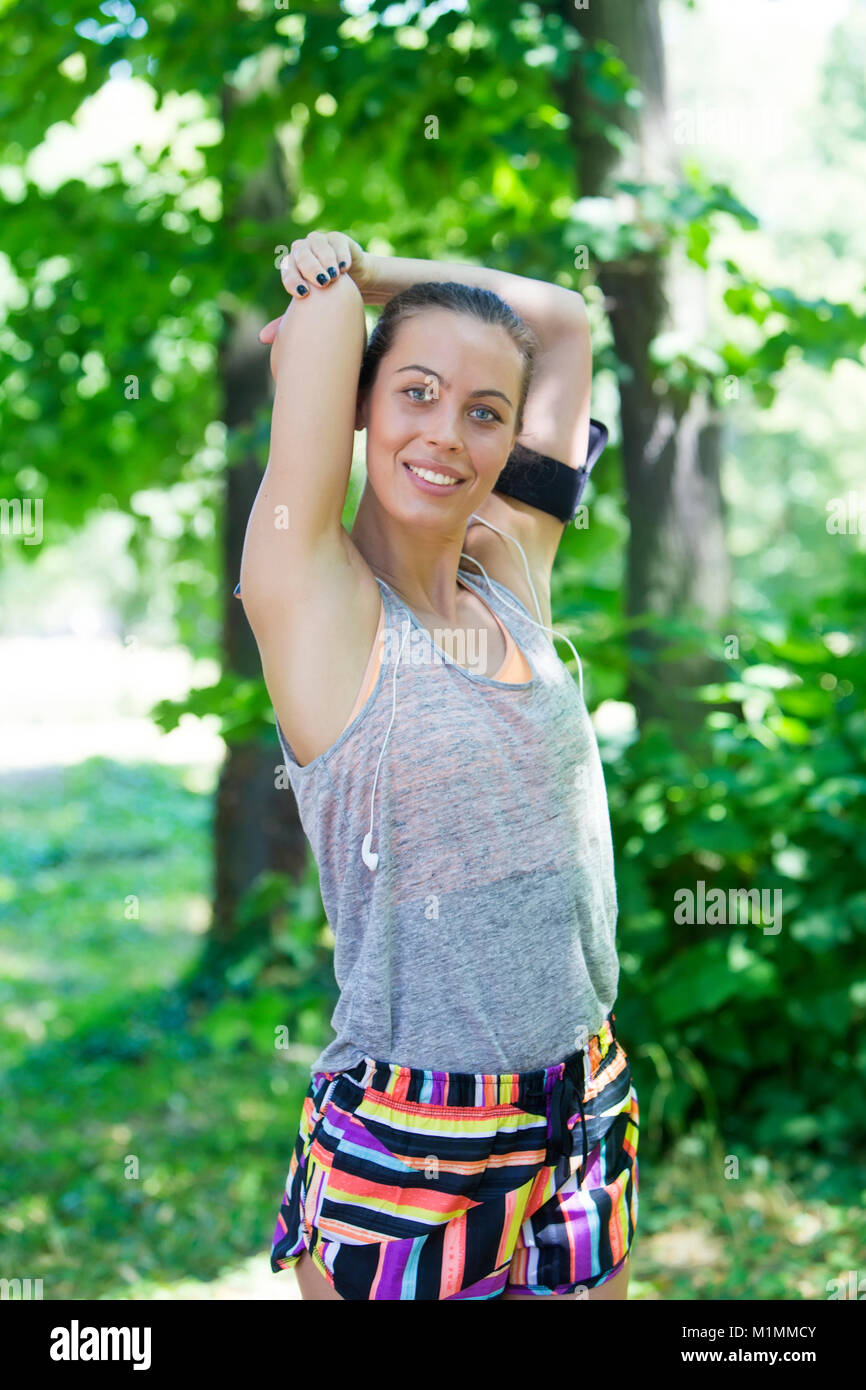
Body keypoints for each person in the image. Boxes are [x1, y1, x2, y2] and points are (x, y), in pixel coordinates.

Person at [237, 230, 639, 1301]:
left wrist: (384, 275)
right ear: (362, 407)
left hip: (579, 1091)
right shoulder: (314, 604)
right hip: (414, 1138)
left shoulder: (510, 564)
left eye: (483, 412)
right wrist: (336, 284)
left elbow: (555, 320)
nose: (447, 435)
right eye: (412, 392)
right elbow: (322, 322)